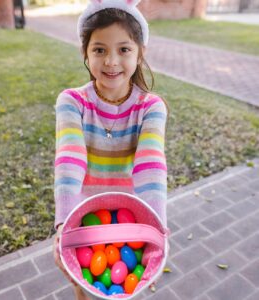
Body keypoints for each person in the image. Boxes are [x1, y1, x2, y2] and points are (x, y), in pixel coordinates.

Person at [53, 1, 168, 299]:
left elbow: (151, 166)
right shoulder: (72, 101)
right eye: (99, 49)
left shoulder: (150, 107)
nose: (111, 61)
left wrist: (158, 228)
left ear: (140, 52)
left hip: (131, 213)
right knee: (83, 278)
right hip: (83, 212)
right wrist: (65, 221)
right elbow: (69, 159)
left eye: (124, 49)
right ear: (85, 53)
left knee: (124, 282)